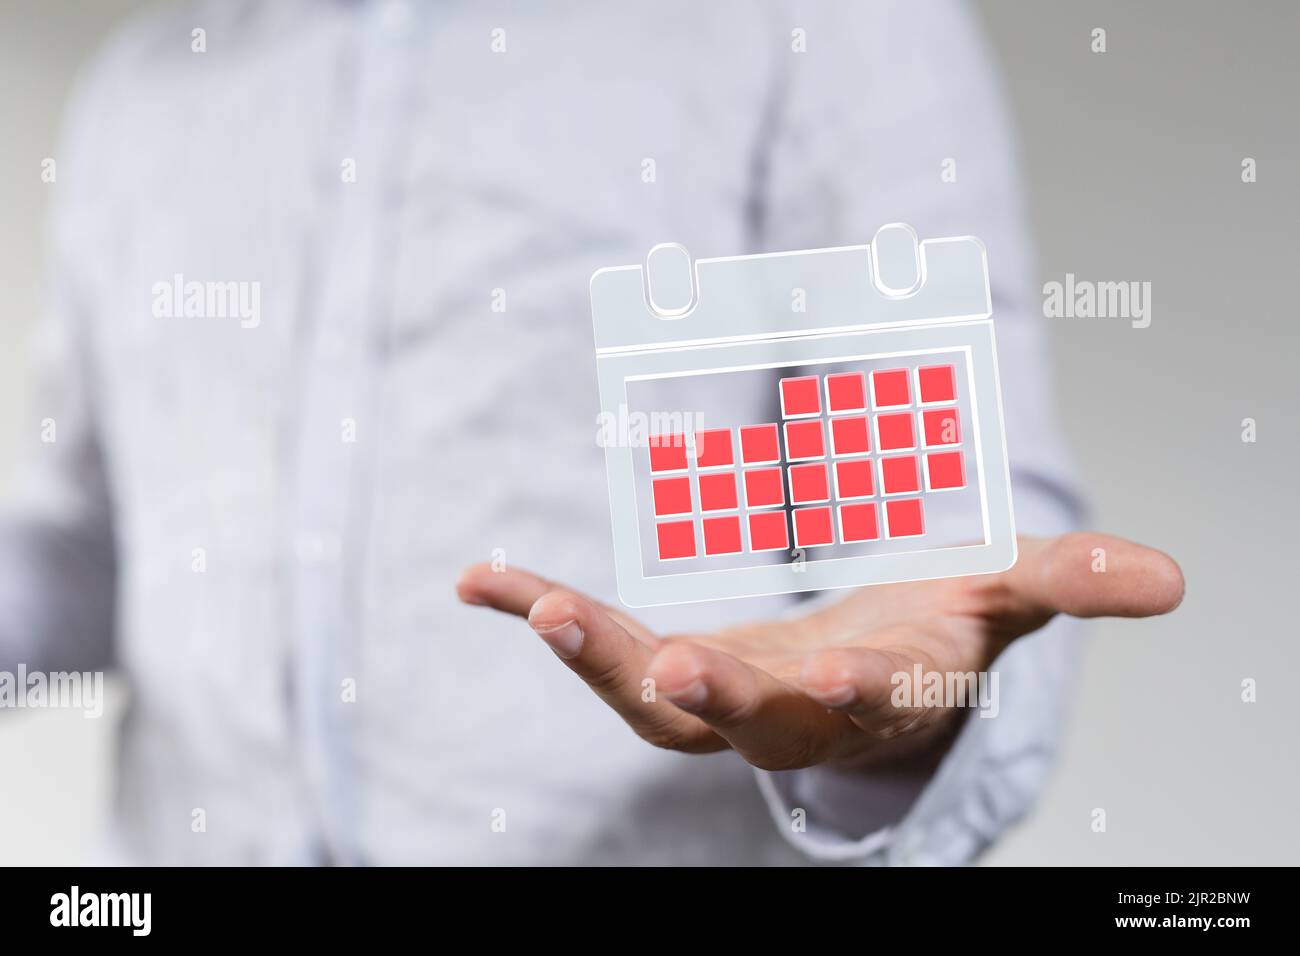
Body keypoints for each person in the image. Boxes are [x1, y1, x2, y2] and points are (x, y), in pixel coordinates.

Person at [1, 0, 1181, 865]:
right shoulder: (144, 89)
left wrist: (885, 708)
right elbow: (97, 545)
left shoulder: (816, 30)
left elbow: (927, 547)